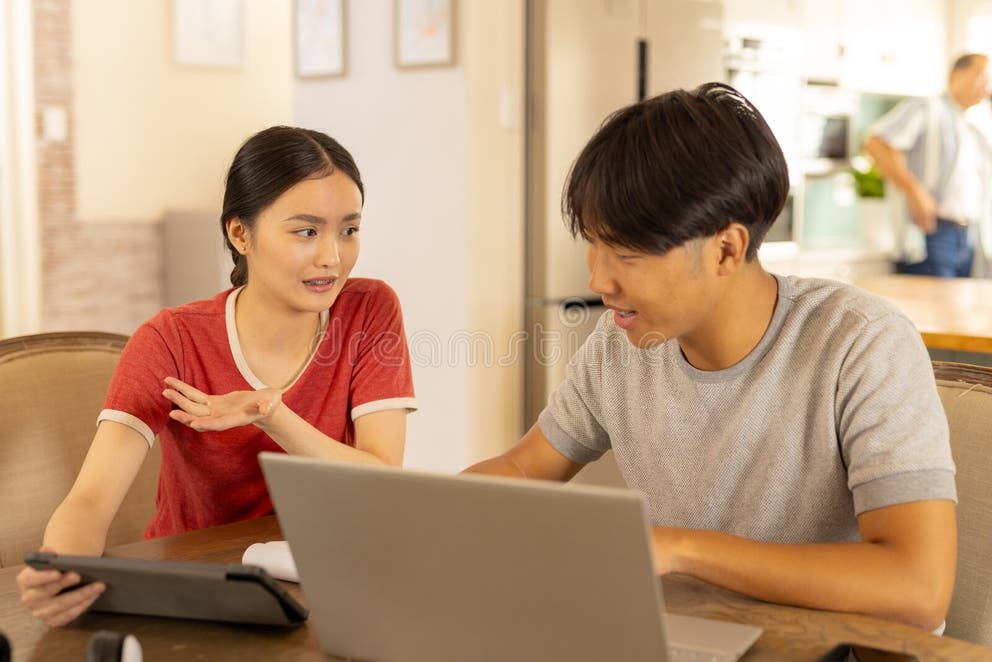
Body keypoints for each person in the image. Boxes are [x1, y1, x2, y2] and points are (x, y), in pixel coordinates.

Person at [466, 83, 957, 631]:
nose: (598, 280)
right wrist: (422, 513)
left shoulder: (860, 342)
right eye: (595, 244)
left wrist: (680, 549)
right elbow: (522, 468)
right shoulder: (620, 344)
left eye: (626, 254)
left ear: (726, 249)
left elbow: (918, 587)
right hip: (690, 636)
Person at [18, 126, 417, 626]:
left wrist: (271, 414)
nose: (332, 257)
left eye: (349, 230)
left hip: (330, 580)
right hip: (197, 594)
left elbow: (382, 483)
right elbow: (92, 499)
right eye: (306, 231)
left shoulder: (368, 309)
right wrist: (61, 571)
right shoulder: (171, 339)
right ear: (240, 233)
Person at [865, 53, 992, 277]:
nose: (986, 86)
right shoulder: (927, 107)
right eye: (981, 77)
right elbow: (877, 143)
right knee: (932, 310)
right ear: (957, 74)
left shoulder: (971, 125)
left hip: (967, 238)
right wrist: (916, 193)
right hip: (932, 233)